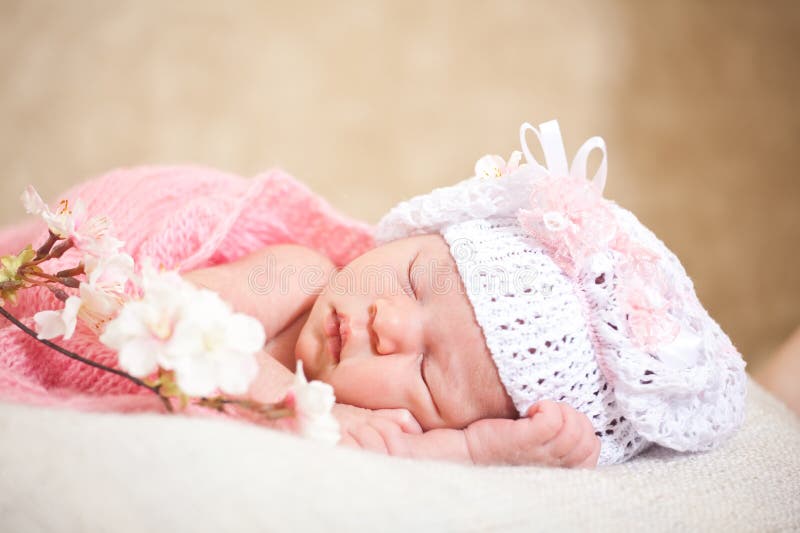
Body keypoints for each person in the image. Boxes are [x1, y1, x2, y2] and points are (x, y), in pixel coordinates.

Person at [185, 120, 748, 467]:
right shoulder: (299, 275)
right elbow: (178, 312)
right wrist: (295, 402)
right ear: (413, 238)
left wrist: (479, 451)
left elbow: (402, 459)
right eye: (412, 280)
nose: (390, 326)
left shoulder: (370, 424)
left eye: (428, 372)